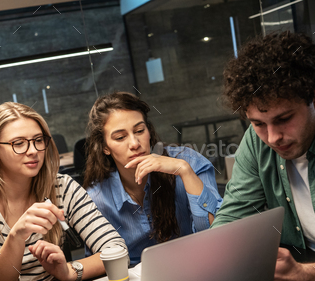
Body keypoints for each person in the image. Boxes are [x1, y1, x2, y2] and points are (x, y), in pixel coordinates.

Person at [212, 31, 315, 281]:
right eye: (258, 123)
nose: (272, 137)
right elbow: (233, 218)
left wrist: (310, 276)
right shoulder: (257, 141)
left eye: (284, 119)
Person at [0, 102, 127, 281]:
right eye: (18, 143)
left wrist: (69, 271)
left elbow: (118, 252)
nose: (33, 150)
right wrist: (16, 236)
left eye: (38, 140)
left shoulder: (60, 187)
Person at [84, 92, 223, 265]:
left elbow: (218, 234)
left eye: (140, 131)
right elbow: (101, 264)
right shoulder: (96, 198)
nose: (135, 143)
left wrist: (185, 172)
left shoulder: (188, 161)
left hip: (198, 269)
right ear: (105, 147)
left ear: (149, 131)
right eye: (120, 137)